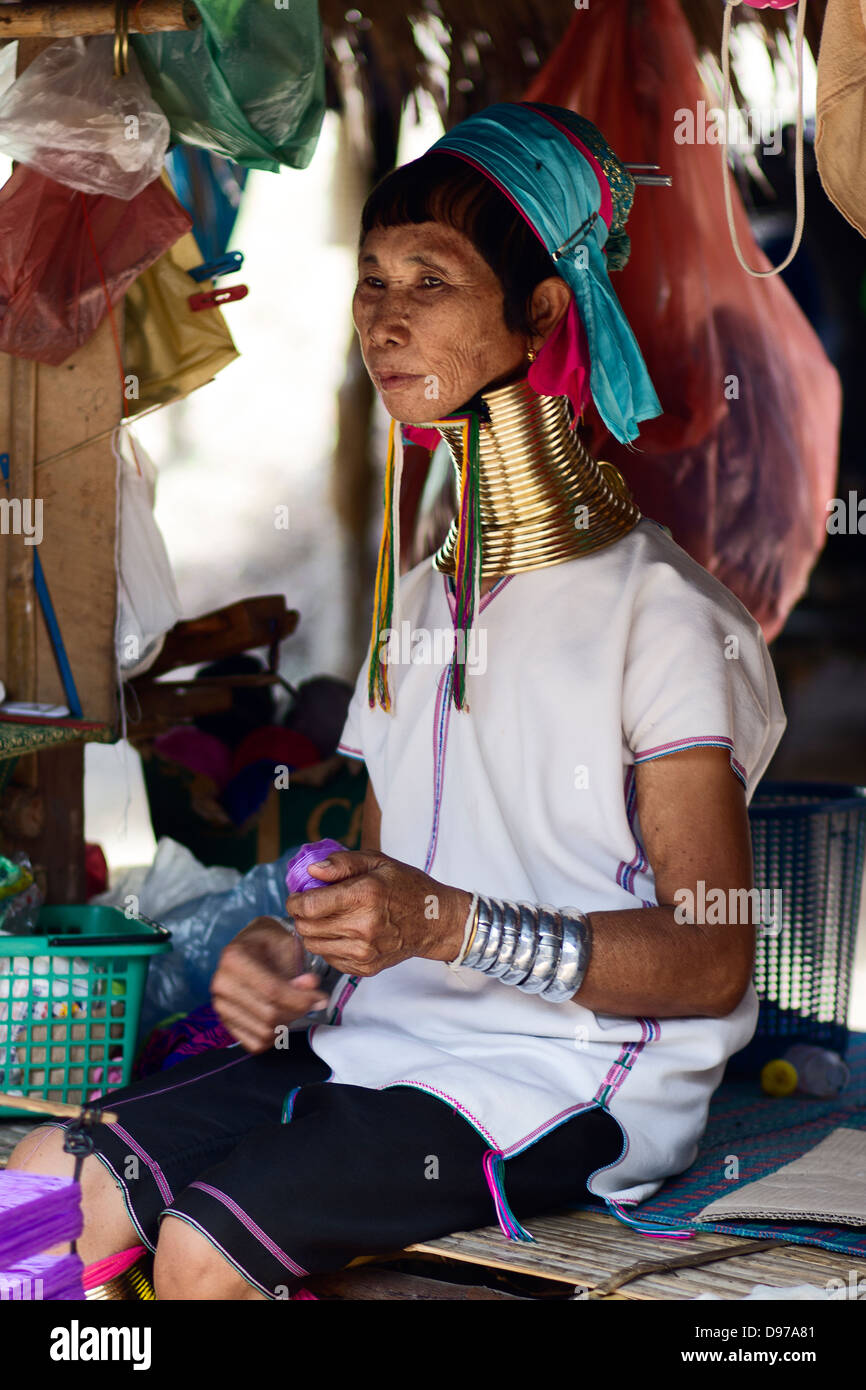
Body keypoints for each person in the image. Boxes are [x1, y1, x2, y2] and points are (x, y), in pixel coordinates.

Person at [7, 101, 786, 1300]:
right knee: (51, 1183)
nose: (385, 314)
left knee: (202, 1255)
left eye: (433, 278)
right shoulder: (422, 597)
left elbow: (707, 957)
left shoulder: (660, 616)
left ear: (539, 311)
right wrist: (285, 949)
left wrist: (446, 930)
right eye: (372, 279)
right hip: (385, 1040)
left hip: (567, 1076)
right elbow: (380, 876)